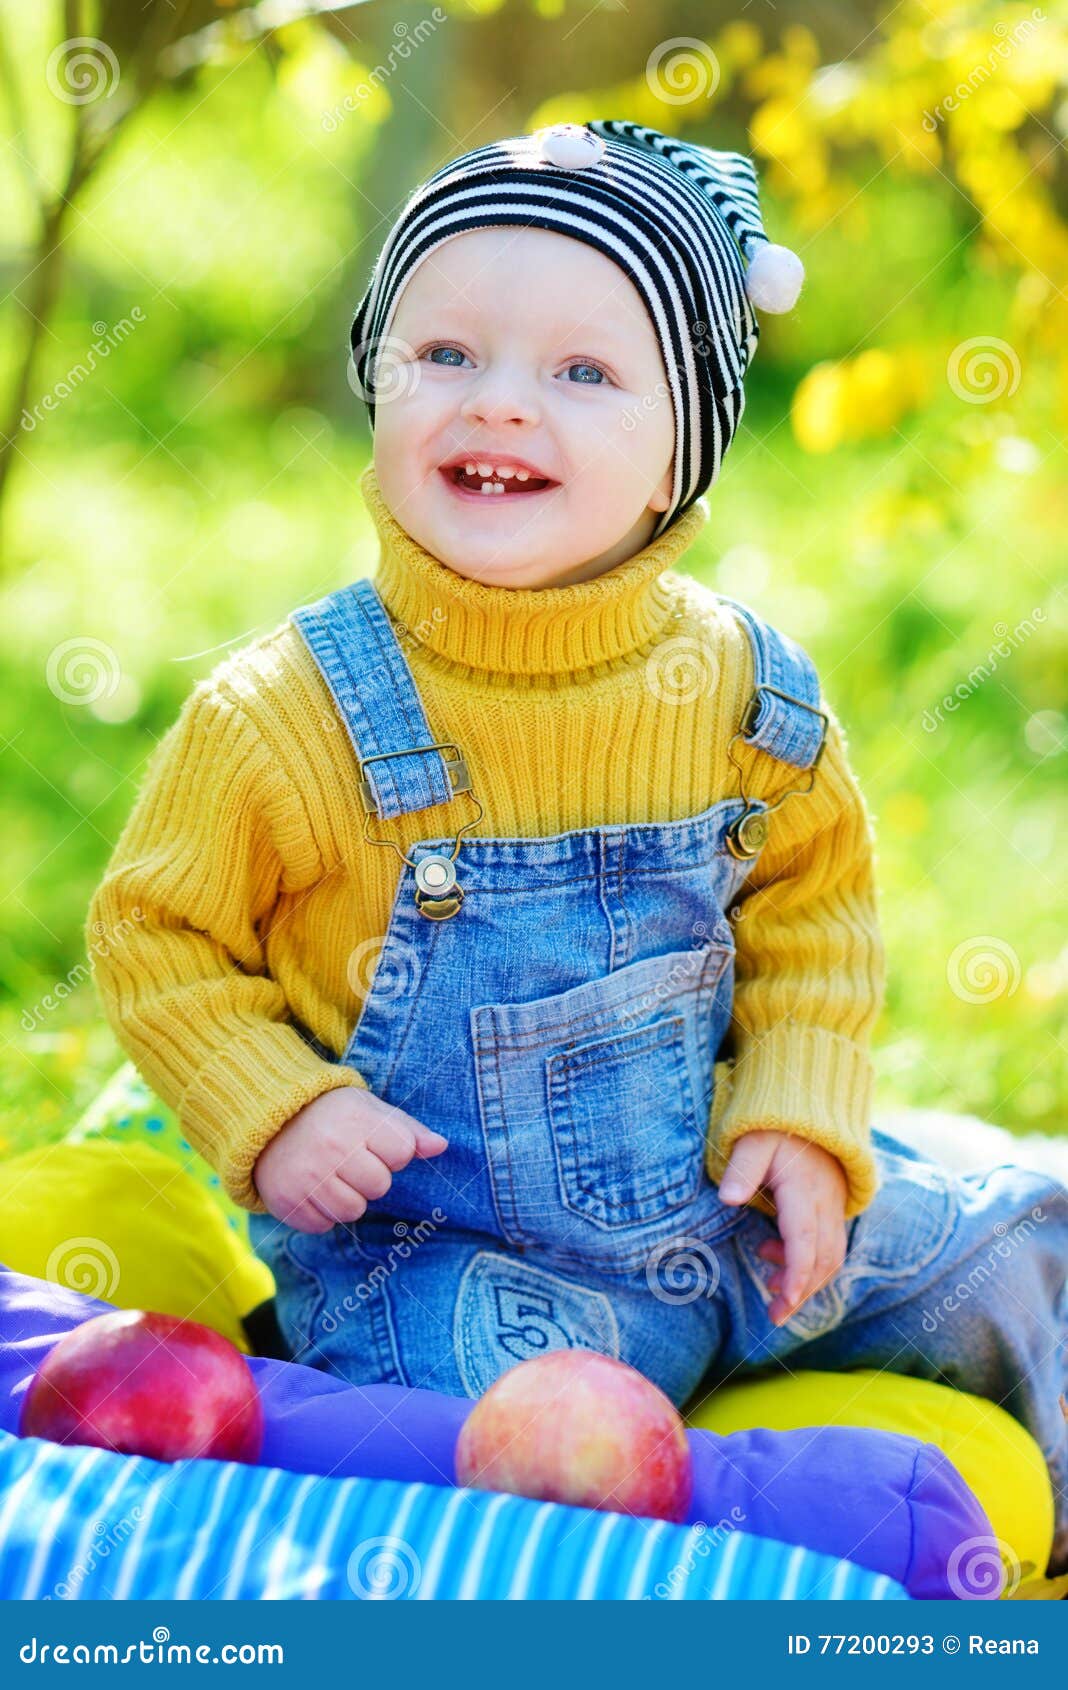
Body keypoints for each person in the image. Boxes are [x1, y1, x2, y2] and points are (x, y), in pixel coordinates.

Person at [88, 120, 1068, 1573]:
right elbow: (156, 932)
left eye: (584, 373)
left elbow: (812, 913)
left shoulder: (745, 689)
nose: (499, 402)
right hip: (445, 1255)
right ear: (375, 381)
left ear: (682, 454)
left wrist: (800, 1110)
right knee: (476, 1436)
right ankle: (742, 1532)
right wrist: (277, 1109)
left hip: (723, 1213)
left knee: (1001, 1251)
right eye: (445, 354)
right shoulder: (288, 713)